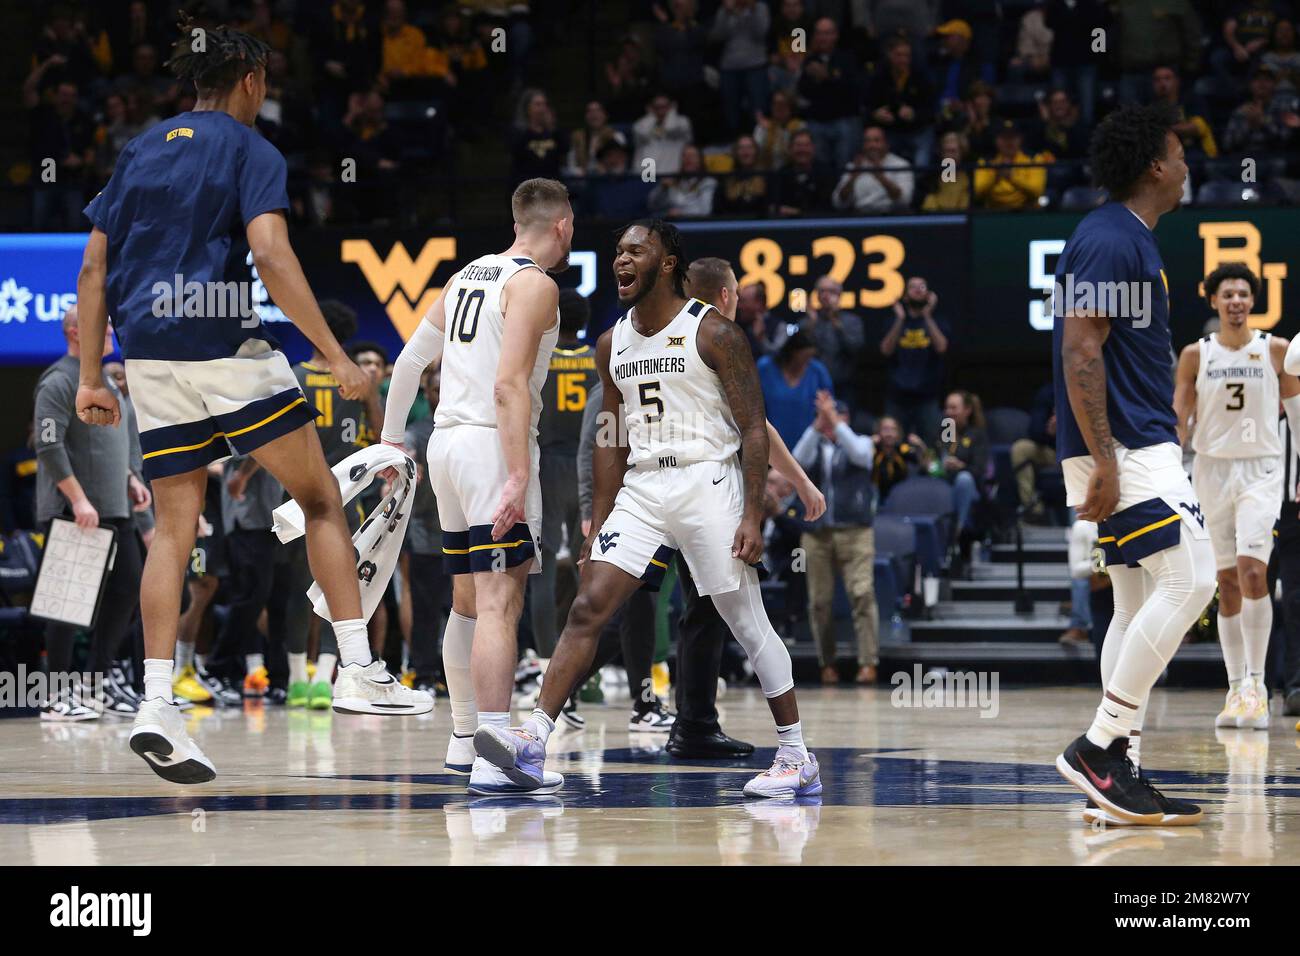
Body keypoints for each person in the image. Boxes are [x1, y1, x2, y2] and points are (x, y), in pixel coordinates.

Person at [75, 20, 427, 786]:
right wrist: (335, 357)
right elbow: (269, 253)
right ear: (252, 81)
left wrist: (91, 375)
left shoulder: (137, 148)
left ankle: (157, 702)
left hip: (149, 352)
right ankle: (358, 669)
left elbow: (94, 268)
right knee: (322, 498)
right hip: (224, 346)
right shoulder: (252, 148)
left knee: (172, 529)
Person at [476, 220, 822, 799]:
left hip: (706, 480)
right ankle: (534, 740)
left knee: (744, 619)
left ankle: (796, 754)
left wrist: (753, 515)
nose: (621, 259)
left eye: (636, 250)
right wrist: (601, 520)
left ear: (666, 263)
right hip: (642, 489)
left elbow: (754, 430)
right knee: (588, 606)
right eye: (617, 251)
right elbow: (610, 437)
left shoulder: (712, 332)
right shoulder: (612, 341)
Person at [380, 177, 571, 793]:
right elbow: (509, 386)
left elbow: (408, 364)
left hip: (444, 445)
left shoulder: (466, 275)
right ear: (562, 226)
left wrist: (388, 442)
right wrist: (517, 472)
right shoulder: (536, 285)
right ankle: (496, 755)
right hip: (493, 443)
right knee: (499, 602)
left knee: (466, 601)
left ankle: (465, 740)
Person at [1052, 103, 1212, 827]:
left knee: (1132, 600)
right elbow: (1080, 349)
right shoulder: (1110, 238)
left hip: (1131, 446)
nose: (1187, 166)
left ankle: (1120, 774)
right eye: (1180, 154)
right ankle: (1100, 745)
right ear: (1154, 163)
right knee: (1193, 580)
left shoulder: (1126, 238)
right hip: (1128, 451)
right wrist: (1108, 459)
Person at [664, 256, 826, 758]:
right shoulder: (719, 339)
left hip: (649, 491)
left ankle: (691, 721)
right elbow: (760, 428)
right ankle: (782, 746)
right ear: (727, 296)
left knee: (634, 608)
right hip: (703, 493)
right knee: (731, 616)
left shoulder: (648, 336)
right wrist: (801, 484)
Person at [1175, 263, 1300, 731]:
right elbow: (1179, 418)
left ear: (1253, 301)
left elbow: (1296, 411)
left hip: (1261, 469)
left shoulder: (1276, 350)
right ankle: (1235, 688)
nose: (1236, 302)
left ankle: (1258, 685)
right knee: (1224, 581)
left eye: (1243, 294)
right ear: (1213, 300)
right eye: (1227, 294)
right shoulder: (1195, 354)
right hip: (1210, 469)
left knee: (1254, 572)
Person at [35, 307, 151, 721]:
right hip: (75, 511)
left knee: (127, 591)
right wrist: (79, 499)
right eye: (97, 328)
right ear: (73, 332)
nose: (107, 333)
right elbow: (49, 446)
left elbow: (106, 444)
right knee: (67, 605)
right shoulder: (60, 380)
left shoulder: (108, 385)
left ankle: (95, 686)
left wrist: (130, 477)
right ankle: (53, 695)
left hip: (115, 509)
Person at [283, 300, 384, 708]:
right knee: (338, 589)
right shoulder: (359, 380)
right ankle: (326, 676)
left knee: (297, 591)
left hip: (298, 490)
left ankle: (295, 679)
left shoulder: (292, 376)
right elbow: (379, 433)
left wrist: (244, 476)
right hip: (347, 494)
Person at [529, 290, 599, 677]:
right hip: (590, 468)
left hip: (547, 466)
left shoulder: (539, 361)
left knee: (544, 569)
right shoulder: (598, 360)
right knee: (588, 566)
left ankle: (544, 663)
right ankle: (588, 665)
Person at [793, 391, 878, 685]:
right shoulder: (815, 445)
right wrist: (817, 426)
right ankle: (826, 663)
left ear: (847, 420)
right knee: (819, 601)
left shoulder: (862, 442)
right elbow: (795, 461)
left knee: (862, 594)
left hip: (855, 531)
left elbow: (861, 455)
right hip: (818, 534)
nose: (830, 422)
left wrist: (835, 422)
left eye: (835, 417)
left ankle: (868, 663)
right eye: (826, 417)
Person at [880, 276, 949, 446]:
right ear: (905, 296)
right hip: (897, 397)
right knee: (893, 444)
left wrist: (927, 316)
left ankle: (932, 472)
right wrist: (900, 320)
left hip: (927, 396)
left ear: (929, 295)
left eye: (922, 287)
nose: (918, 290)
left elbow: (941, 347)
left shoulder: (938, 321)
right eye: (913, 287)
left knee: (934, 443)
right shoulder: (893, 322)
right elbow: (886, 350)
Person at [937, 390, 990, 573]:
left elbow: (979, 470)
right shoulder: (947, 430)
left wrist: (961, 466)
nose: (948, 412)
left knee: (965, 480)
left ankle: (956, 533)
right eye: (946, 408)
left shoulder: (977, 434)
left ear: (967, 410)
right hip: (946, 487)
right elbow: (941, 459)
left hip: (972, 489)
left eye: (953, 407)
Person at [757, 329, 833, 450]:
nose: (806, 362)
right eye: (804, 357)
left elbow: (828, 408)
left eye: (810, 357)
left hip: (807, 448)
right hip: (769, 444)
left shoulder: (818, 371)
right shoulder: (765, 368)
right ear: (792, 352)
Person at [800, 274, 865, 400]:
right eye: (822, 291)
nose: (825, 295)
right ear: (817, 295)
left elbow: (856, 349)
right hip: (812, 384)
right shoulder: (808, 322)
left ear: (839, 295)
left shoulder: (852, 321)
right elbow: (798, 353)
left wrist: (837, 324)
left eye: (831, 291)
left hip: (844, 385)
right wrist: (811, 325)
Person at [832, 125, 914, 213]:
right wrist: (852, 178)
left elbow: (904, 201)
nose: (872, 145)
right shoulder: (854, 166)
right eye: (867, 141)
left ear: (886, 144)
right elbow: (838, 203)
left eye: (877, 141)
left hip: (891, 218)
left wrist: (881, 178)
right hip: (860, 218)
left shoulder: (901, 165)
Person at [1011, 383, 1057, 522]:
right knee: (1020, 449)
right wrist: (1050, 432)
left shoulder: (1088, 387)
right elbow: (1034, 431)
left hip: (1087, 450)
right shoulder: (1049, 393)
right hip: (1055, 450)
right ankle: (1033, 509)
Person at [872, 416, 928, 506]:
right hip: (876, 494)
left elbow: (925, 465)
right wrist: (868, 443)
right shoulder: (873, 449)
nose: (889, 434)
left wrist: (920, 446)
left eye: (893, 430)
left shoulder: (902, 449)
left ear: (898, 433)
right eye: (885, 429)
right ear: (878, 432)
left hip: (899, 495)